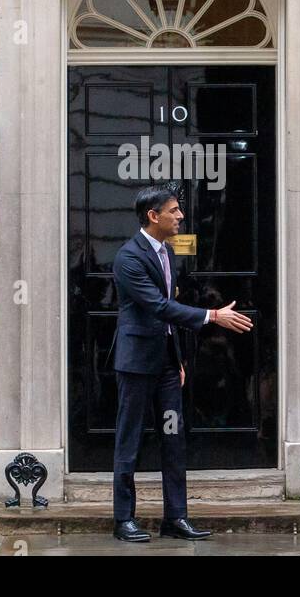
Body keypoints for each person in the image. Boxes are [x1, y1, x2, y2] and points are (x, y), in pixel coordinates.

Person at [110, 184, 253, 543]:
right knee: (129, 442)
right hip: (136, 365)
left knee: (174, 439)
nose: (181, 216)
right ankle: (123, 519)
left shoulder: (168, 254)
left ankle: (176, 517)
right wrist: (212, 316)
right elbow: (158, 307)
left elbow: (171, 313)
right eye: (173, 211)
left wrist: (179, 360)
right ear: (152, 216)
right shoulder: (129, 257)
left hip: (167, 366)